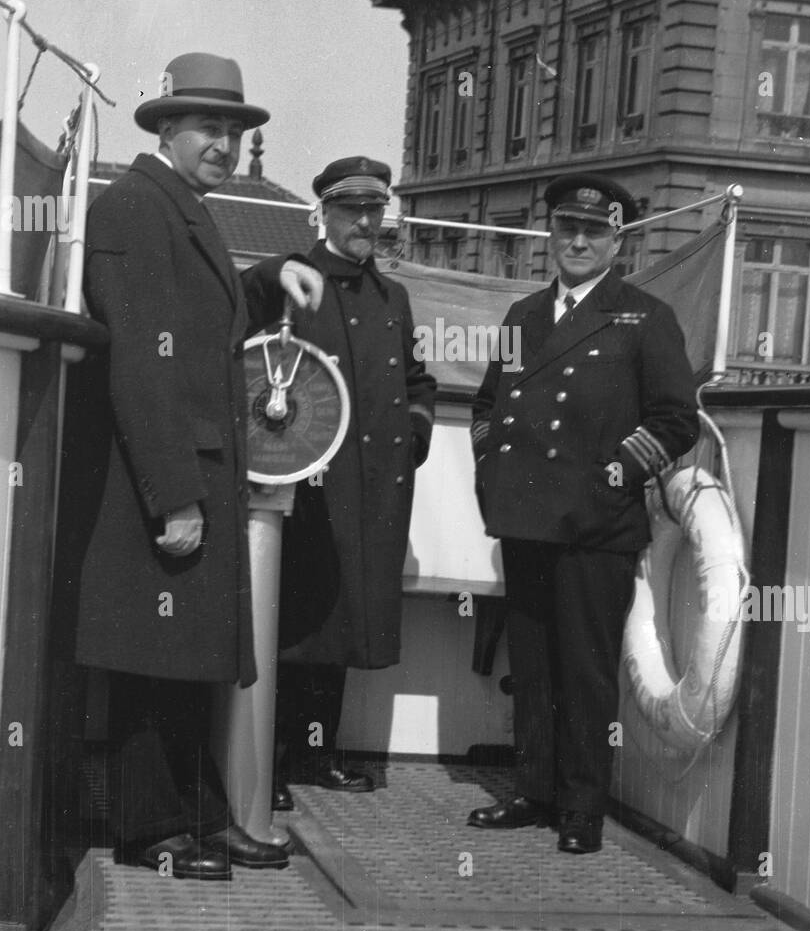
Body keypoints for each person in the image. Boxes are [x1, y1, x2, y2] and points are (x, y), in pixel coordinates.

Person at [68, 52, 324, 880]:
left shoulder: (178, 205)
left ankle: (201, 818)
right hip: (166, 480)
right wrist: (174, 497)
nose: (224, 143)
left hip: (196, 472)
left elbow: (194, 316)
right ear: (167, 127)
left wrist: (265, 279)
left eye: (234, 129)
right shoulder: (135, 210)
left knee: (186, 665)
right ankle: (153, 834)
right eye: (209, 127)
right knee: (153, 663)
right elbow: (142, 360)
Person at [467, 173, 699, 854]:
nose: (577, 241)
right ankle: (533, 789)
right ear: (550, 234)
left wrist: (615, 473)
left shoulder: (644, 317)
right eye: (567, 229)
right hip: (522, 517)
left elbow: (674, 418)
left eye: (593, 231)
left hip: (594, 523)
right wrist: (493, 470)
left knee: (586, 669)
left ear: (616, 238)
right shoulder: (522, 317)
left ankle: (580, 808)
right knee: (532, 664)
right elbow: (487, 406)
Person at [274, 156, 436, 803]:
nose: (366, 222)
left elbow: (416, 379)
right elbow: (265, 374)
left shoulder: (391, 295)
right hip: (309, 490)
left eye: (375, 210)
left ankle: (316, 758)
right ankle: (274, 763)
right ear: (325, 214)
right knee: (295, 627)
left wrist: (416, 436)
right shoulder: (295, 282)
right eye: (352, 211)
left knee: (344, 629)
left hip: (376, 488)